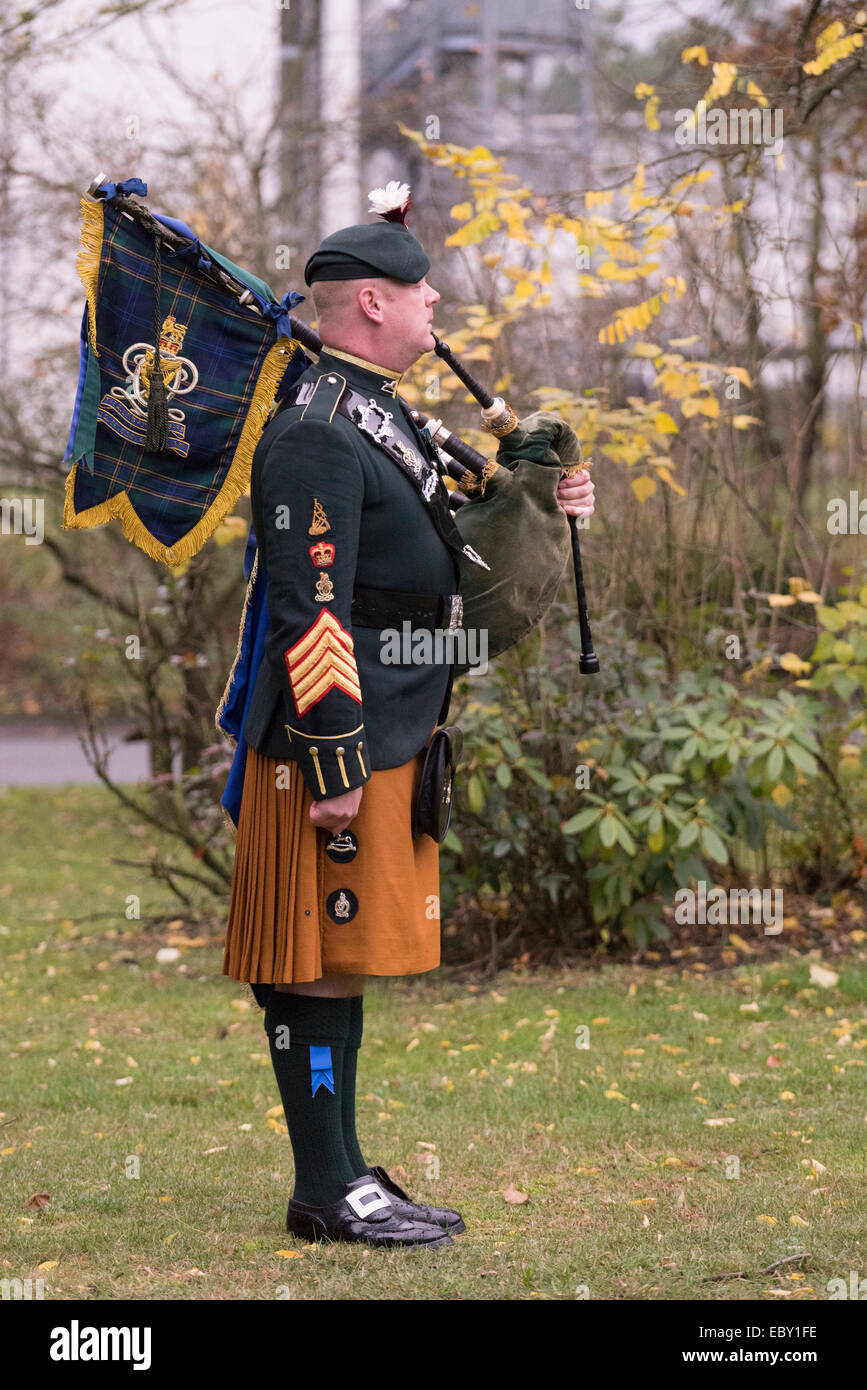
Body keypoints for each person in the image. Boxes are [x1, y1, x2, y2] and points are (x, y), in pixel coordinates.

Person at [221, 183, 595, 1249]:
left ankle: (344, 1174)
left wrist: (539, 502)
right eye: (422, 290)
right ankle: (322, 1184)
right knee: (304, 956)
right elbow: (311, 600)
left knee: (339, 955)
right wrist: (332, 753)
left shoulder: (381, 412)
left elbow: (442, 547)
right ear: (374, 303)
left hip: (393, 716)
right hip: (322, 739)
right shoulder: (313, 433)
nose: (437, 306)